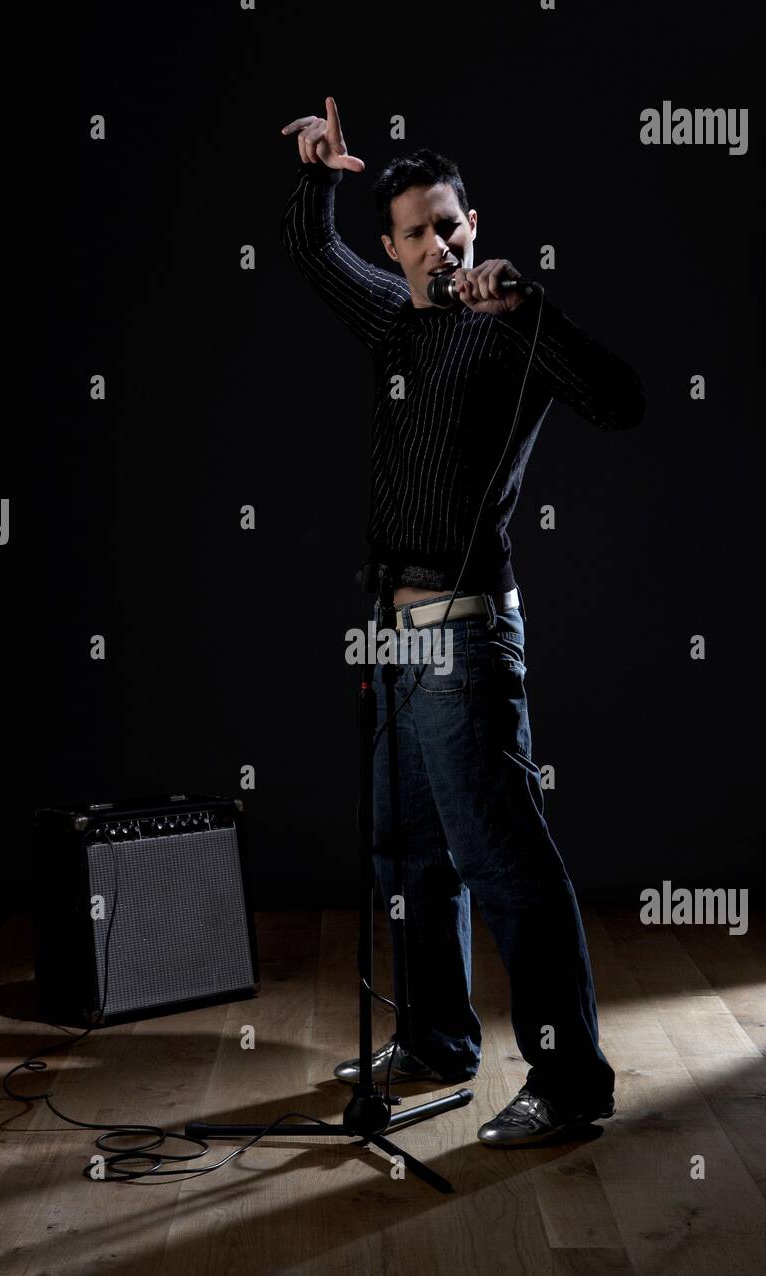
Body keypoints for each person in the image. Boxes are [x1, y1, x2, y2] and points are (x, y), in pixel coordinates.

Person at [279, 97, 645, 1146]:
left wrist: (527, 307)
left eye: (451, 225)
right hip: (392, 636)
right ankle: (437, 1038)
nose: (438, 246)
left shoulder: (508, 331)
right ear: (393, 250)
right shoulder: (392, 318)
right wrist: (317, 173)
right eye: (415, 232)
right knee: (407, 855)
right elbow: (310, 253)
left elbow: (620, 401)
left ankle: (570, 1079)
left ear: (471, 227)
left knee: (501, 857)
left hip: (466, 635)